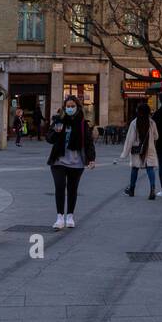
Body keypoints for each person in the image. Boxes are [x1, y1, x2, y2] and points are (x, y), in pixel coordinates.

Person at [47, 95, 96, 230]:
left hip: (77, 162)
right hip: (59, 161)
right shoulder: (58, 120)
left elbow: (88, 142)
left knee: (72, 189)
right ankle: (59, 217)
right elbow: (49, 139)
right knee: (60, 187)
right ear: (64, 107)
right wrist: (56, 133)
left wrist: (91, 159)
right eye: (67, 106)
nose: (69, 109)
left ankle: (70, 216)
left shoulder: (82, 123)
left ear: (77, 107)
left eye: (72, 106)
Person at [123, 103, 160, 200]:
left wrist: (125, 153)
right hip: (150, 148)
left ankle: (132, 189)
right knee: (150, 168)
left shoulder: (134, 123)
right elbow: (156, 136)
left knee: (135, 168)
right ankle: (152, 189)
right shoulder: (152, 123)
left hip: (137, 149)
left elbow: (129, 139)